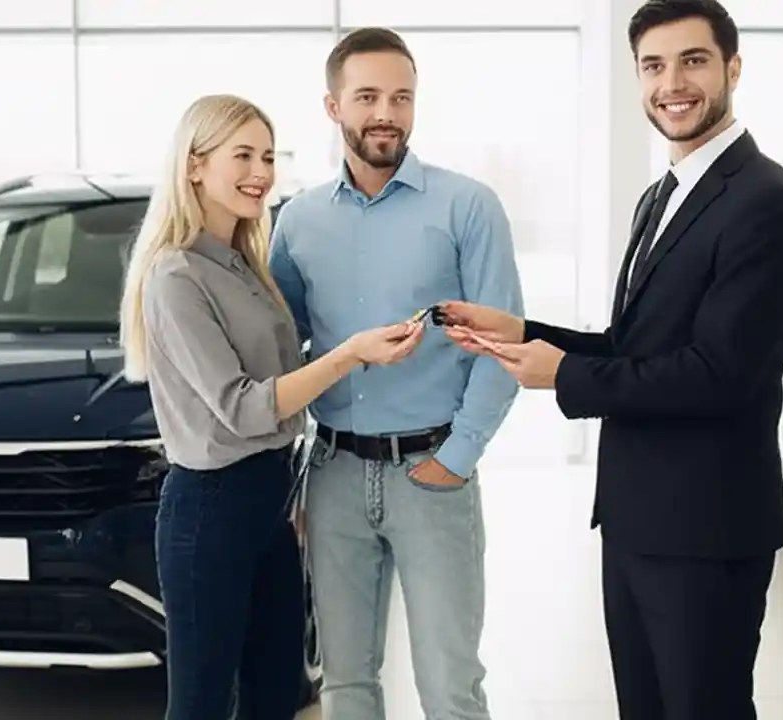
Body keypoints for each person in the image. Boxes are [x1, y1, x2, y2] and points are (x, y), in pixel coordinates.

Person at [442, 2, 783, 718]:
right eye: (653, 65)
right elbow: (636, 346)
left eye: (693, 60)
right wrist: (521, 329)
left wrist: (564, 376)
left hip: (707, 529)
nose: (671, 82)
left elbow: (720, 376)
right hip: (639, 519)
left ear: (733, 68)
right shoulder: (664, 194)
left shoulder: (769, 203)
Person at [118, 93, 423, 720]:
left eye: (267, 155)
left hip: (268, 501)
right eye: (242, 156)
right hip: (210, 510)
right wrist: (350, 355)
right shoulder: (176, 276)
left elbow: (284, 374)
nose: (261, 172)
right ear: (195, 165)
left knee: (278, 694)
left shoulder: (244, 264)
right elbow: (245, 408)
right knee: (202, 702)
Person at [268, 28, 524, 720]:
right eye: (369, 96)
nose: (387, 112)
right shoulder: (297, 220)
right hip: (334, 475)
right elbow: (283, 350)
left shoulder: (467, 206)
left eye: (401, 97)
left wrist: (458, 457)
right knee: (347, 683)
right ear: (333, 106)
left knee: (451, 687)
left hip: (434, 472)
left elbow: (504, 346)